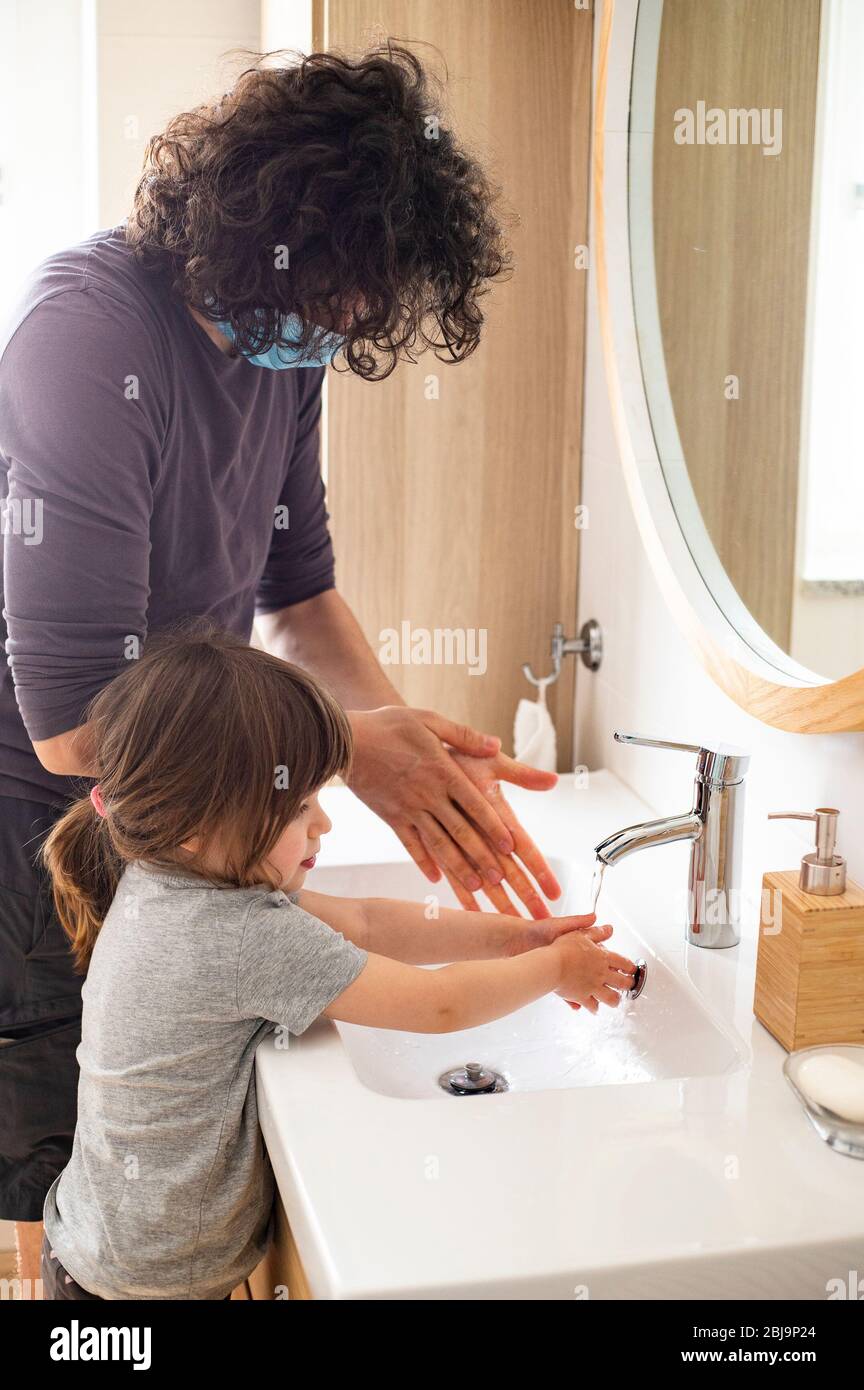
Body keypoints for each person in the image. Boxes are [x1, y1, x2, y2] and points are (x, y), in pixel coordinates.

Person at [0, 41, 564, 1287]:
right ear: (255, 228)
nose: (340, 334)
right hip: (44, 802)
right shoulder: (85, 335)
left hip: (188, 788)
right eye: (333, 303)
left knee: (154, 1105)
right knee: (51, 1124)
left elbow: (295, 586)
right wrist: (338, 745)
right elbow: (75, 732)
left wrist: (391, 739)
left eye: (358, 317)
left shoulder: (284, 348)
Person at [38, 626, 634, 1300]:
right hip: (146, 1288)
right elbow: (438, 1006)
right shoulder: (238, 935)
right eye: (297, 807)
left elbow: (368, 922)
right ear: (195, 826)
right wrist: (556, 972)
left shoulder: (170, 874)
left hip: (97, 1245)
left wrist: (517, 940)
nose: (323, 825)